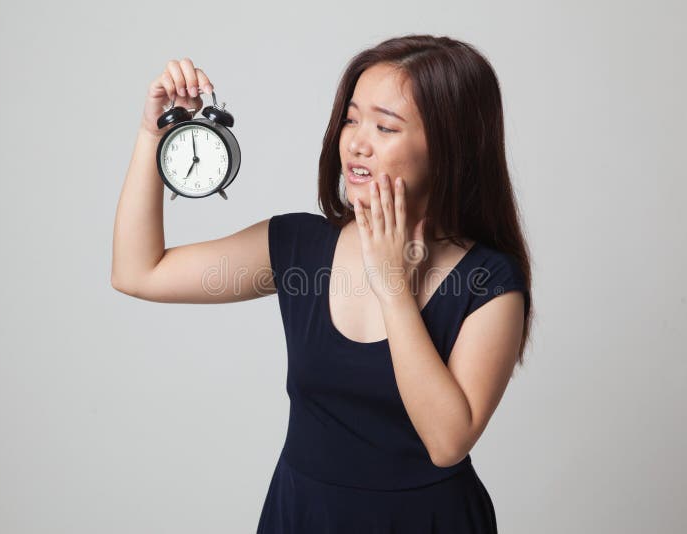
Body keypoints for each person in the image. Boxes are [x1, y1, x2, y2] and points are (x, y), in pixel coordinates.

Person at [112, 33, 534, 534]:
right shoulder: (300, 247)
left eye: (385, 126)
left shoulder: (489, 281)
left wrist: (392, 285)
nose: (356, 143)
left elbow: (447, 443)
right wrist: (153, 133)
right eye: (351, 119)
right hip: (302, 516)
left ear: (449, 147)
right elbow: (138, 272)